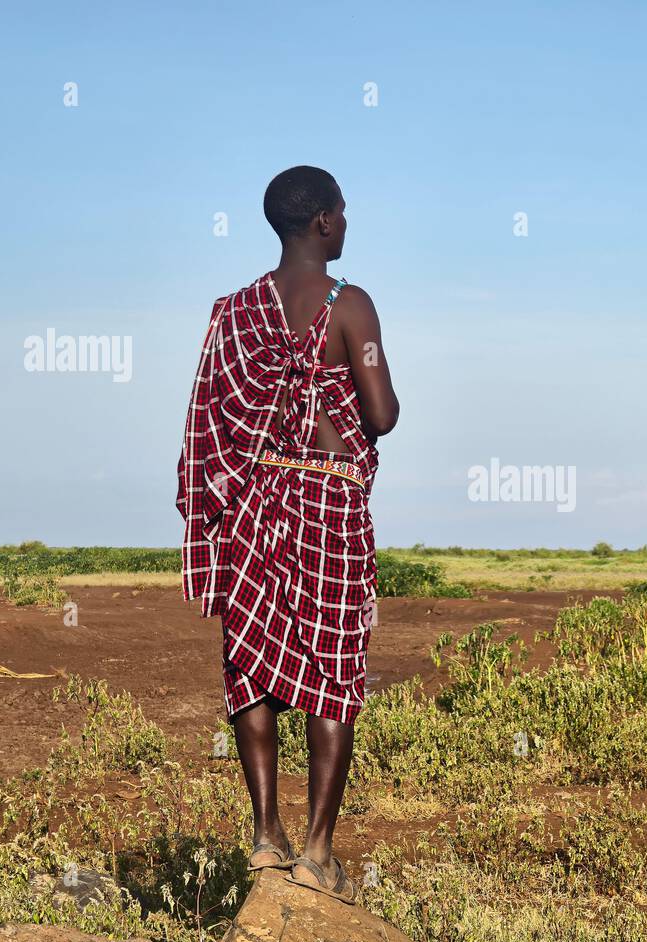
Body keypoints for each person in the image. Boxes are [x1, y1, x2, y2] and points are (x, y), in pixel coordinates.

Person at [177, 166, 399, 903]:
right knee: (332, 669)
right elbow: (384, 412)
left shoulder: (234, 311)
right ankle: (317, 852)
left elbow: (213, 412)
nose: (346, 222)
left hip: (254, 497)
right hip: (328, 504)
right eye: (342, 212)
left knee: (254, 662)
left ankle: (265, 837)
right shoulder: (352, 305)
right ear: (323, 224)